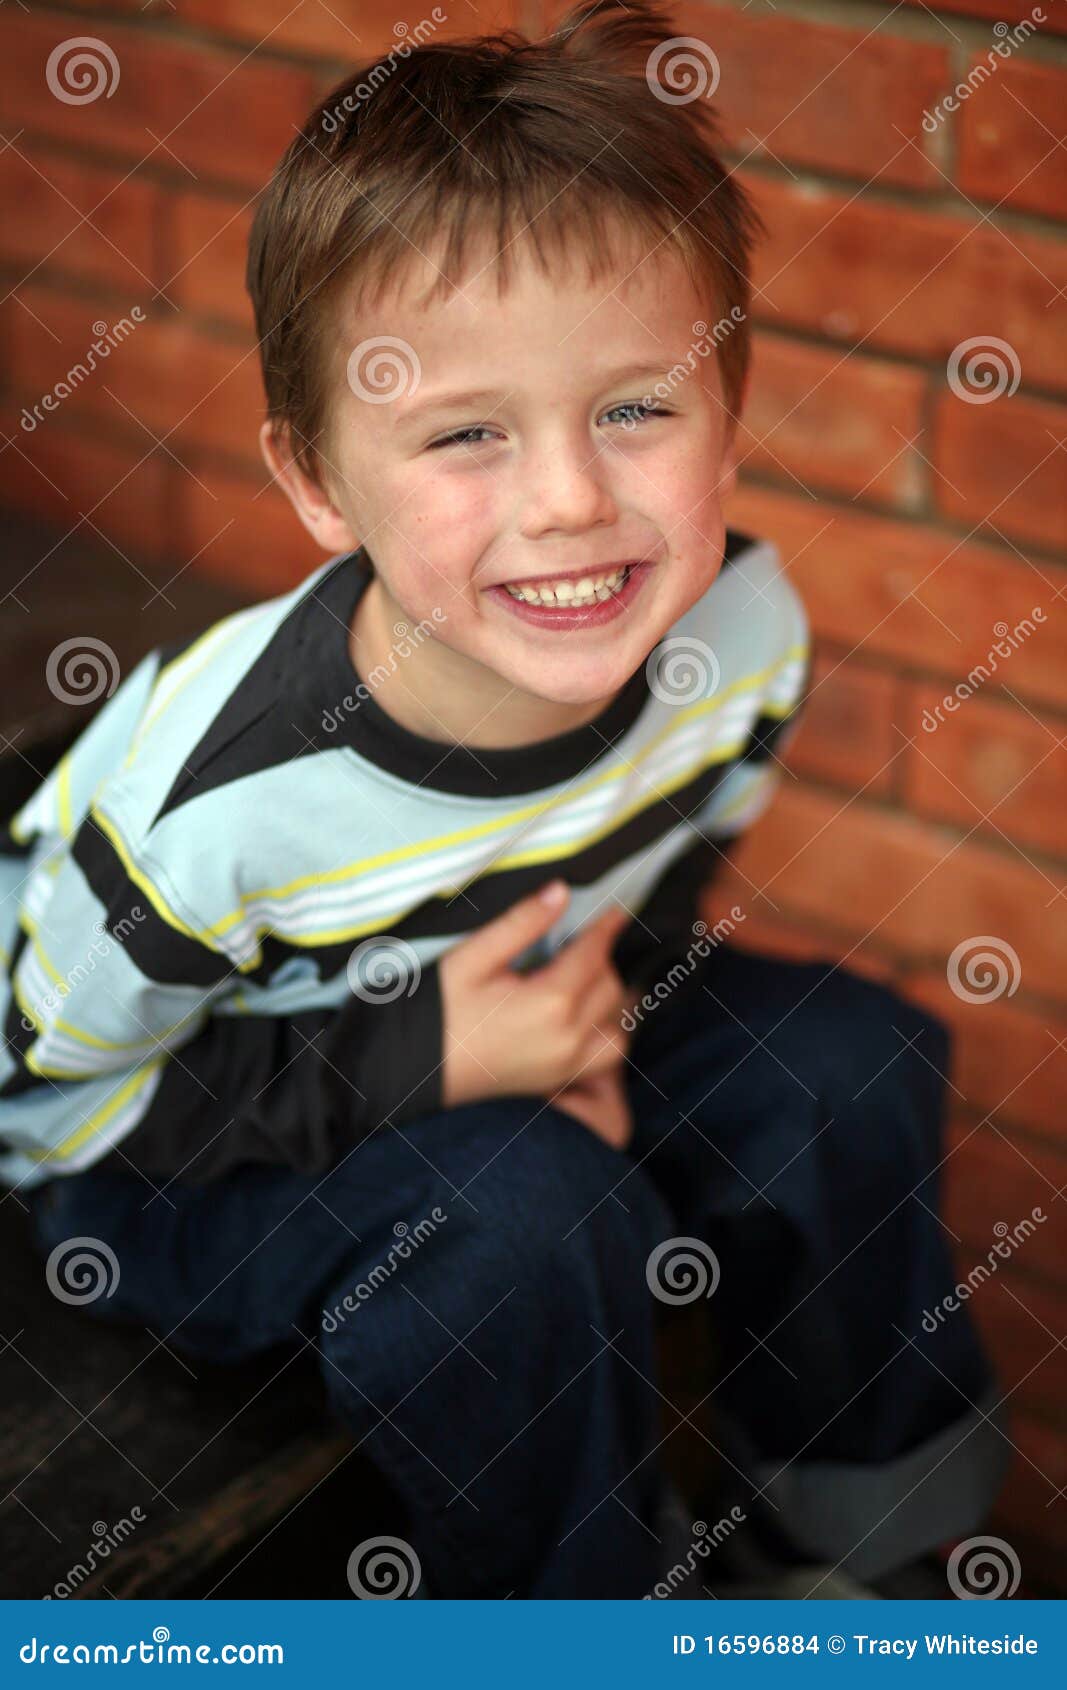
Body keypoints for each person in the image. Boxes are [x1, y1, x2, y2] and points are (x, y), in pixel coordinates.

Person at [0, 0, 1005, 1599]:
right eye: (466, 432)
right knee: (520, 1218)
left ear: (728, 420)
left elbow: (663, 868)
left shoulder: (741, 633)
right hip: (180, 1156)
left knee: (841, 1067)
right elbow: (61, 1103)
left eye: (635, 408)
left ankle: (877, 1557)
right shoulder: (216, 809)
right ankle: (586, 1617)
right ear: (319, 479)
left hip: (519, 1006)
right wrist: (435, 1060)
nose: (567, 501)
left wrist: (597, 1011)